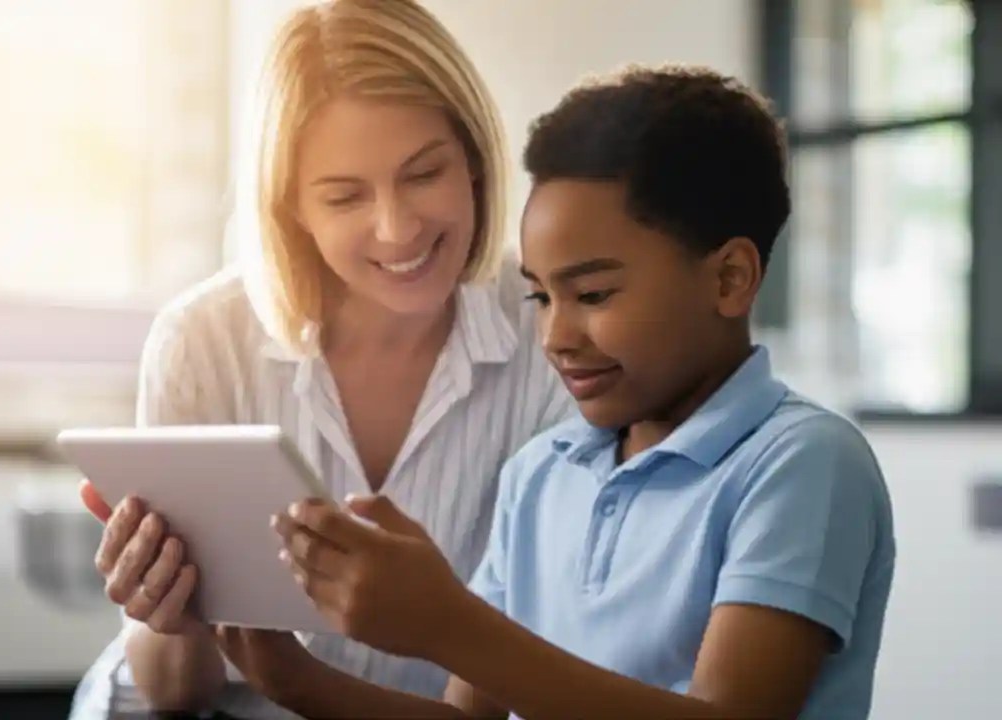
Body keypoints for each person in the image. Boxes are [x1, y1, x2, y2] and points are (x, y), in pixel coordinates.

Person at [249, 65, 897, 719]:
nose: (555, 335)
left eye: (593, 295)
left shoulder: (802, 462)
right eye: (539, 295)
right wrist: (292, 678)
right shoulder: (540, 472)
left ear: (729, 279)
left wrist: (447, 622)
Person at [67, 1, 577, 718]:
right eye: (345, 196)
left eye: (423, 174)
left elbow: (507, 690)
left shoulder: (551, 337)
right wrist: (167, 616)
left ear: (473, 161)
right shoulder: (203, 343)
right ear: (291, 209)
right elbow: (176, 692)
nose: (397, 229)